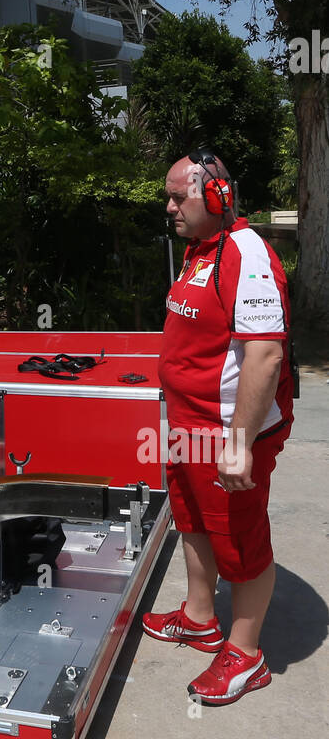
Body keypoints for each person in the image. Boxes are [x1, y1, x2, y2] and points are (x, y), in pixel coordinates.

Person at [142, 149, 294, 704]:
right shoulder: (199, 251)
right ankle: (201, 618)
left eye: (179, 196)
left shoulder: (245, 253)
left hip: (230, 430)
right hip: (189, 423)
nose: (169, 206)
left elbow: (264, 356)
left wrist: (240, 444)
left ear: (217, 196)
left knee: (239, 535)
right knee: (193, 520)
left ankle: (247, 653)